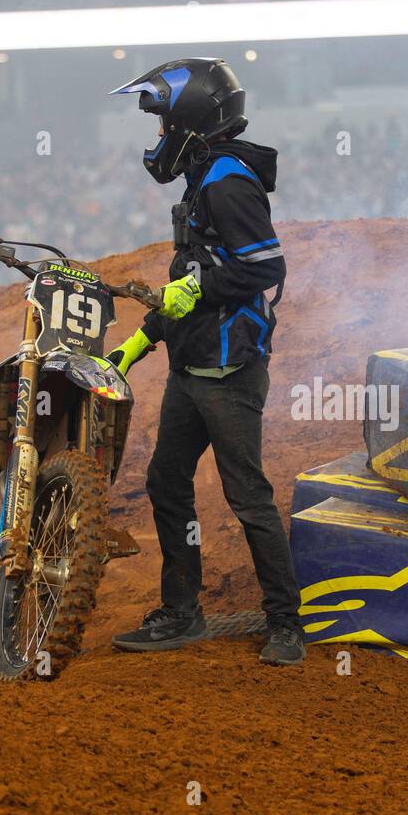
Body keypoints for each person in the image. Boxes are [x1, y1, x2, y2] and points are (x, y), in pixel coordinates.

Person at [105, 58, 304, 666]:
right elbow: (189, 278)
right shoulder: (202, 177)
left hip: (230, 371)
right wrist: (141, 343)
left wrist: (198, 292)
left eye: (164, 123)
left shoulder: (226, 181)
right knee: (167, 482)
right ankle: (182, 613)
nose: (158, 137)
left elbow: (265, 265)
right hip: (191, 370)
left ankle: (286, 624)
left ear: (191, 120)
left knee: (247, 495)